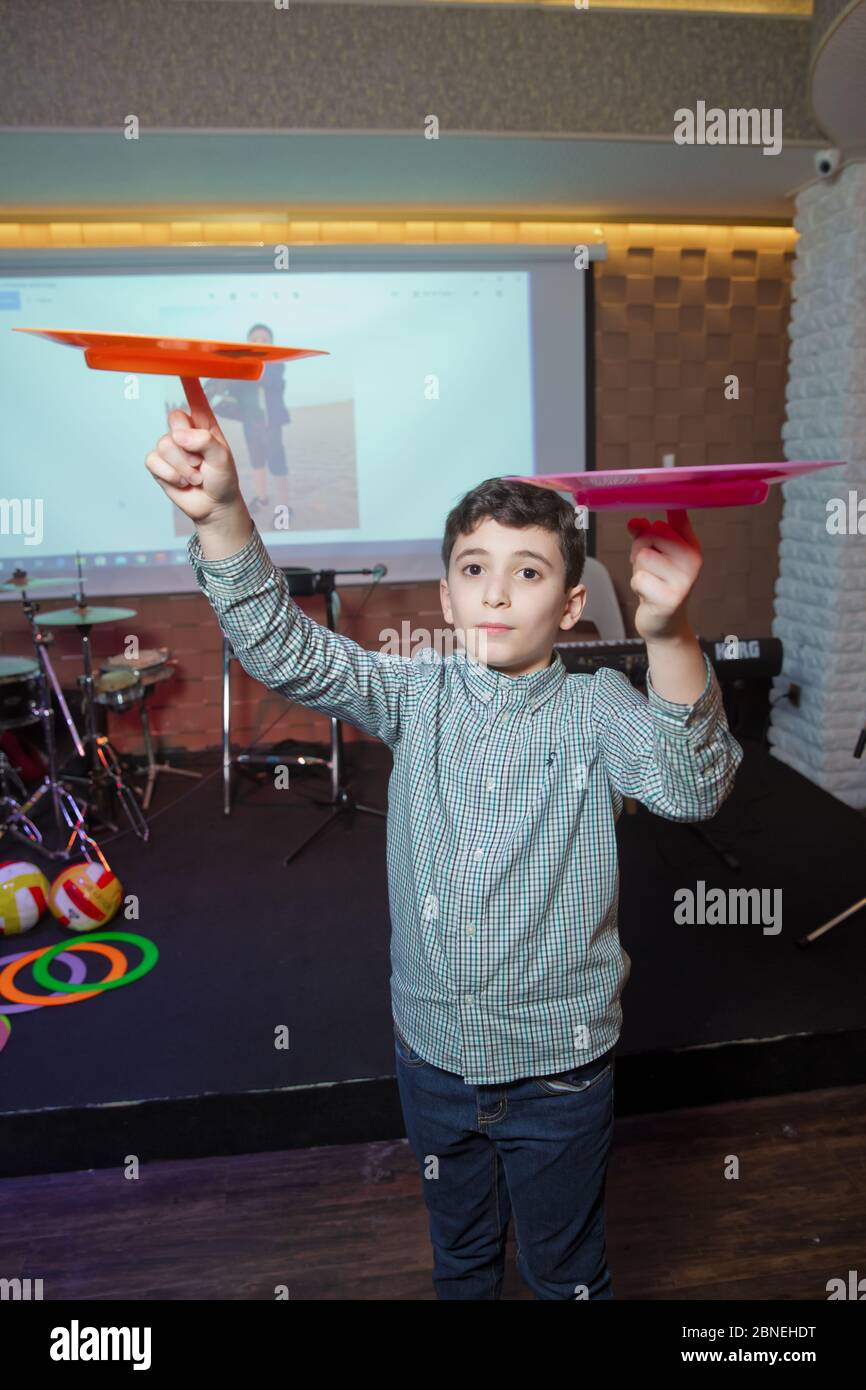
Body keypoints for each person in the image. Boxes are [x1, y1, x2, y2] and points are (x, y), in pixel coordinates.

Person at [145, 407, 744, 1301]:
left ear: (572, 604)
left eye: (528, 572)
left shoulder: (600, 708)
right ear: (448, 596)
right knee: (461, 1264)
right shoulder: (412, 692)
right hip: (432, 1060)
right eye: (476, 570)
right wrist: (223, 515)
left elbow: (693, 788)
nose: (497, 594)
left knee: (566, 1276)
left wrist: (670, 634)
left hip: (559, 1072)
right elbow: (283, 648)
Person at [202, 323, 291, 526]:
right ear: (248, 343)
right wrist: (217, 384)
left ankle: (284, 507)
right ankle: (261, 499)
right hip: (251, 424)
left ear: (272, 344)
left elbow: (271, 381)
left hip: (270, 424)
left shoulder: (276, 364)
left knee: (277, 464)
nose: (259, 342)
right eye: (255, 339)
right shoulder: (241, 368)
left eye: (264, 339)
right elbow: (227, 387)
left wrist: (245, 367)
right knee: (256, 462)